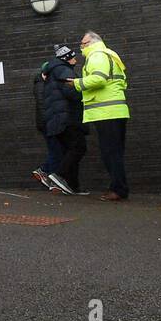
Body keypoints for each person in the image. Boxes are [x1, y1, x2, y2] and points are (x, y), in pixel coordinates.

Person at [68, 31, 129, 201]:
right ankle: (118, 187)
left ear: (92, 43)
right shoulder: (110, 55)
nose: (81, 48)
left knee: (111, 153)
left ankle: (118, 189)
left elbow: (99, 79)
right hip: (115, 110)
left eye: (83, 44)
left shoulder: (97, 56)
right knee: (115, 152)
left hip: (106, 112)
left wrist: (76, 83)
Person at [34, 45, 86, 194]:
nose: (76, 59)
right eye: (73, 57)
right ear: (67, 58)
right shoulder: (64, 70)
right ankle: (57, 176)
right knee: (78, 148)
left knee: (68, 151)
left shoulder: (52, 73)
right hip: (67, 117)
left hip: (57, 119)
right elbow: (72, 92)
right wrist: (86, 94)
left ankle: (70, 186)